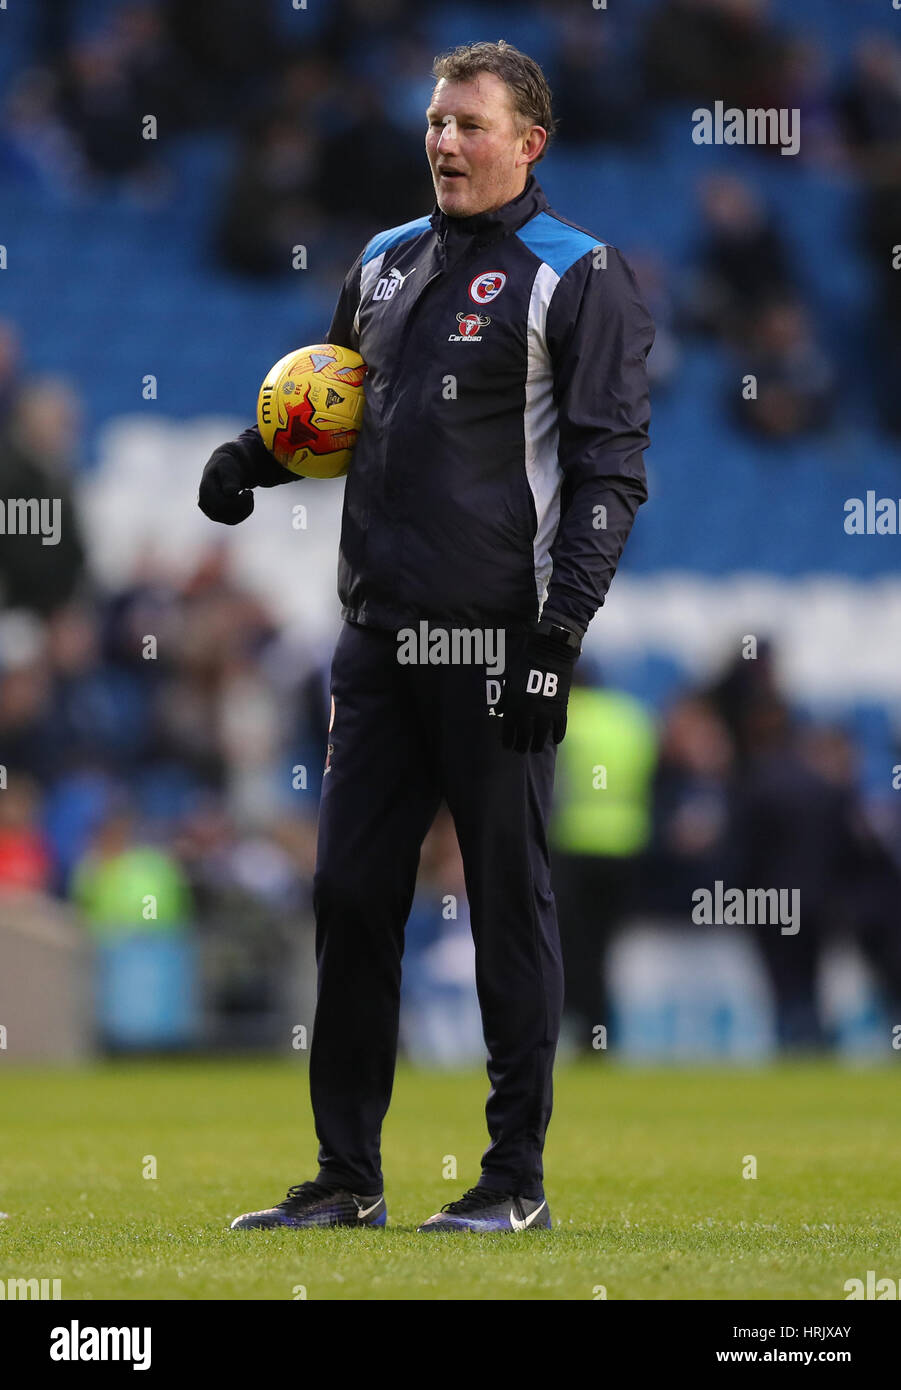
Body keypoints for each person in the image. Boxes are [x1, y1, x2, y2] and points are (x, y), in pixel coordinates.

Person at [199, 40, 653, 1234]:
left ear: (527, 143)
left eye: (467, 123)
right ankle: (347, 1178)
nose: (443, 140)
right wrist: (252, 462)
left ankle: (514, 1181)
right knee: (351, 895)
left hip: (502, 642)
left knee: (506, 902)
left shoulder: (579, 274)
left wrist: (559, 636)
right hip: (378, 644)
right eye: (435, 121)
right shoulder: (383, 261)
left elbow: (610, 470)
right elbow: (341, 402)